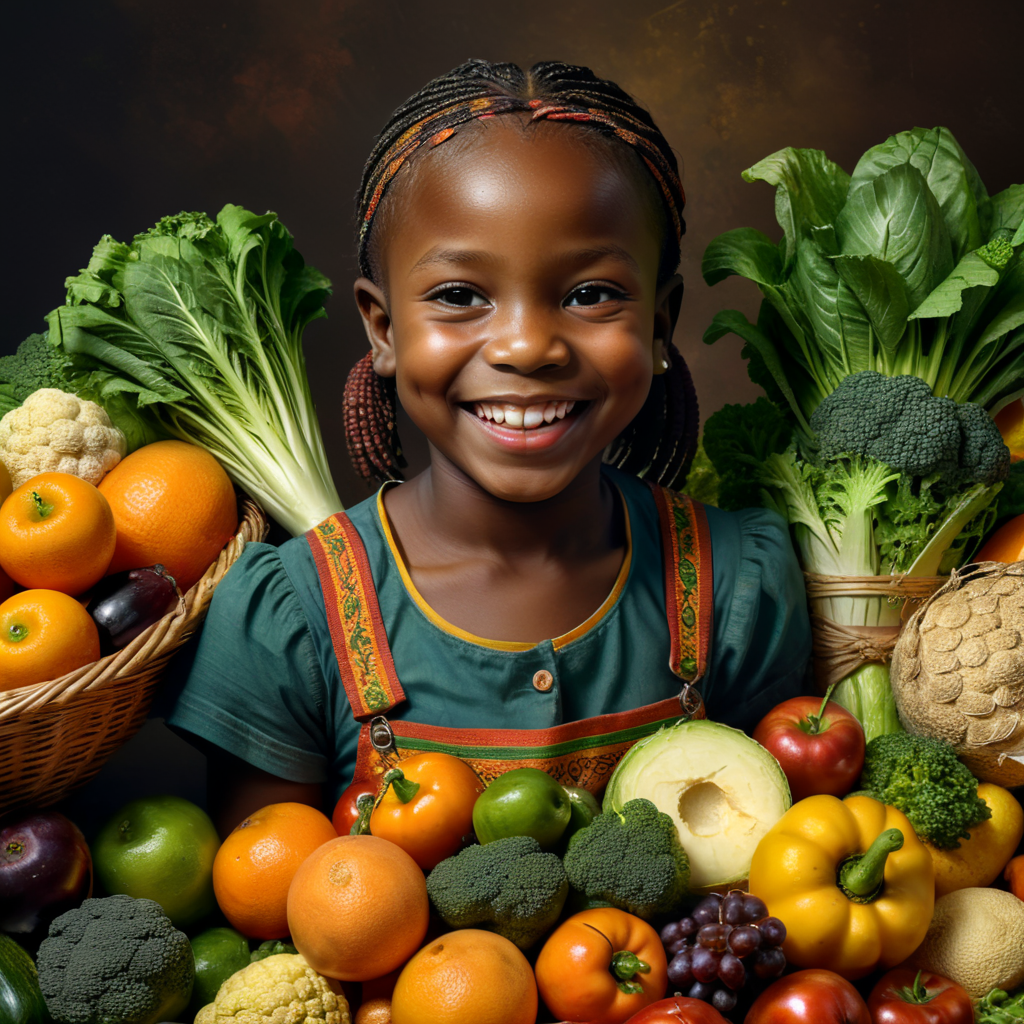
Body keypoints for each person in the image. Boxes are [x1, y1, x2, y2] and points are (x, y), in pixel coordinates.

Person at [166, 59, 811, 836]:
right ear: (383, 329)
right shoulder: (292, 617)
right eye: (460, 296)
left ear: (659, 324)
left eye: (590, 294)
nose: (527, 346)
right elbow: (266, 889)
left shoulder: (739, 584)